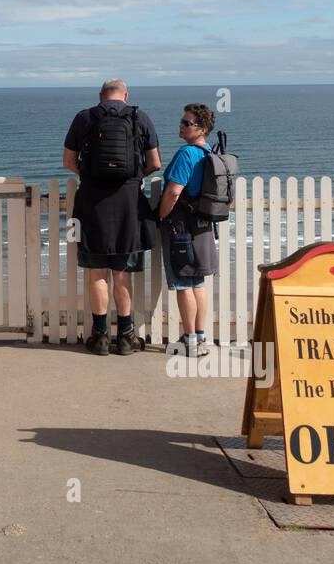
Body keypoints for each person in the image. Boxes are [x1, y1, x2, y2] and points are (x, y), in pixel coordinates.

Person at [63, 79, 161, 355]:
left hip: (92, 204)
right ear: (126, 95)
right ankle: (127, 337)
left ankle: (100, 336)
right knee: (122, 272)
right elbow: (155, 162)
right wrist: (133, 178)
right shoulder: (140, 117)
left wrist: (90, 176)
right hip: (129, 204)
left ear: (100, 96)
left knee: (97, 272)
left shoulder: (84, 118)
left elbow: (68, 161)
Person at [156, 104, 218, 357]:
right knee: (198, 283)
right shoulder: (209, 152)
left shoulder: (187, 154)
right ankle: (200, 337)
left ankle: (190, 341)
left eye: (187, 123)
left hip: (181, 227)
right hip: (202, 227)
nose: (181, 125)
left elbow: (173, 191)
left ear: (201, 129)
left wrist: (161, 214)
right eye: (182, 121)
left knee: (183, 284)